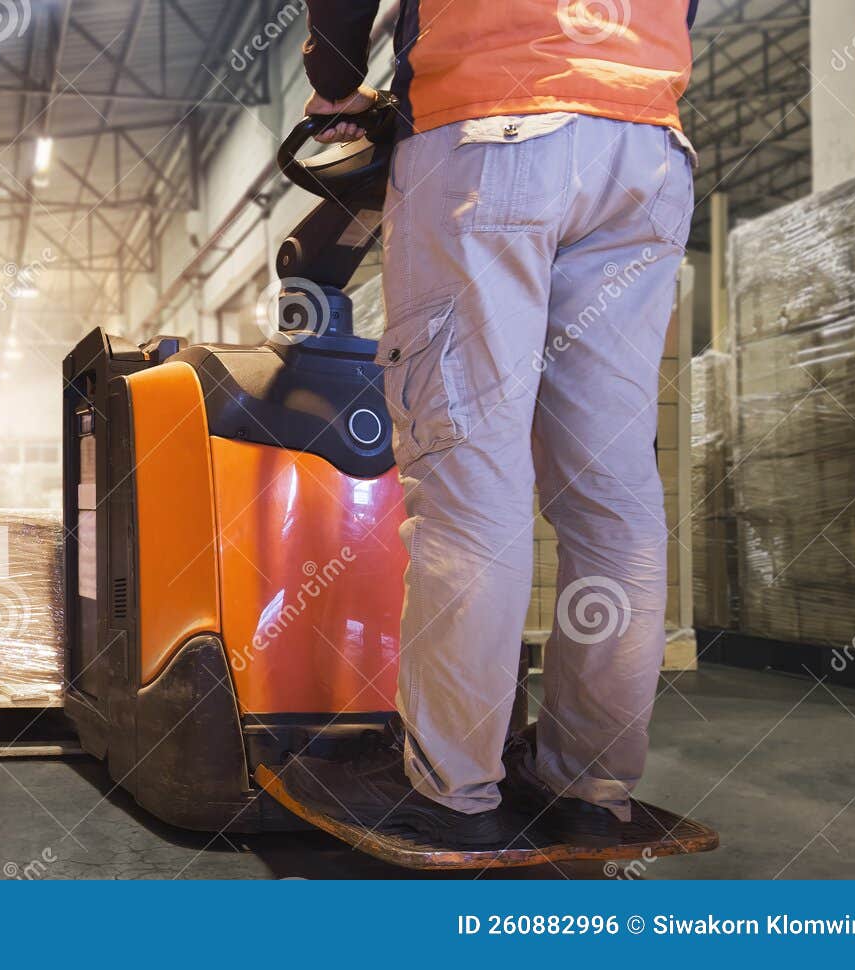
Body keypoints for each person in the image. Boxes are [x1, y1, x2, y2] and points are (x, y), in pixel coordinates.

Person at [283, 0, 699, 849]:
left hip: (491, 128)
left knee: (472, 476)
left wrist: (337, 84)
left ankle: (453, 790)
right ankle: (594, 787)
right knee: (612, 492)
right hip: (646, 149)